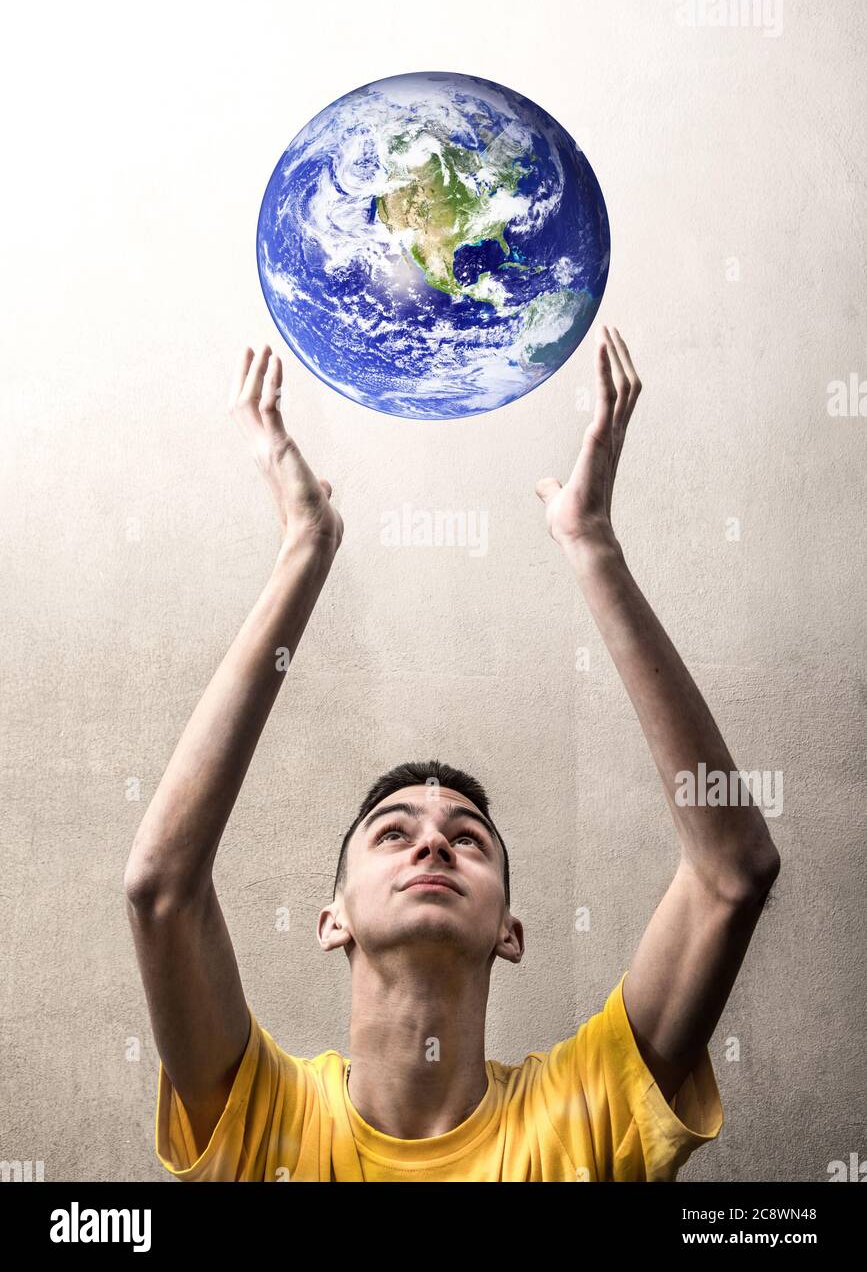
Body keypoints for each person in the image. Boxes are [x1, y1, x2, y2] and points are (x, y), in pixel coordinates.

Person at [124, 327, 780, 1182]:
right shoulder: (268, 1121)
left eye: (467, 838)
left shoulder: (581, 1117)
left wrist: (591, 545)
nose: (434, 842)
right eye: (393, 833)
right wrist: (303, 551)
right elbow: (160, 890)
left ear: (509, 931)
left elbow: (733, 874)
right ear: (333, 921)